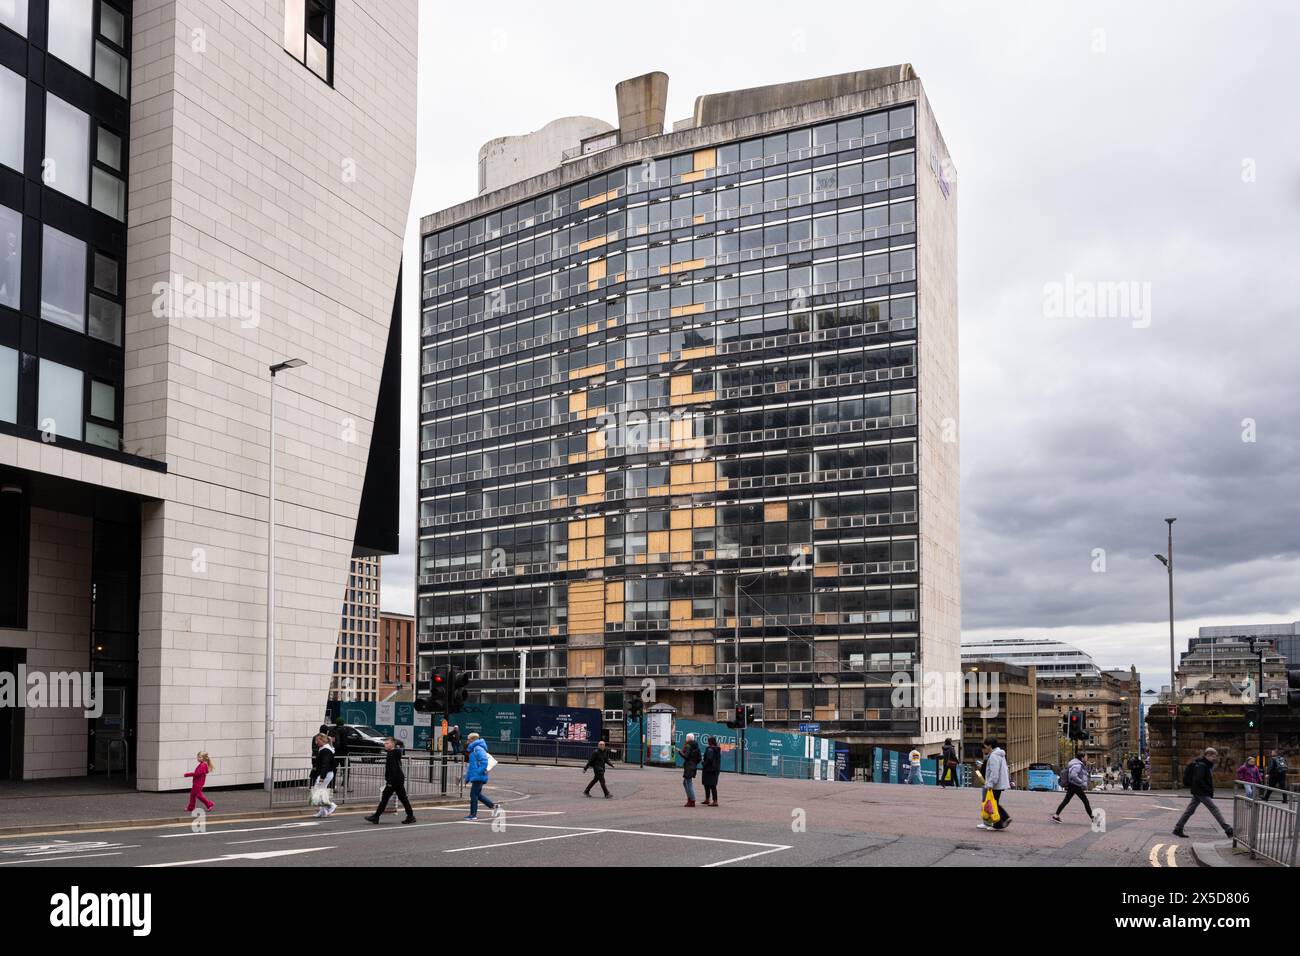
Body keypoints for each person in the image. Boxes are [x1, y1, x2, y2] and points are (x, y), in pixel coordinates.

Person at [1172, 747, 1233, 839]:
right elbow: (1198, 779)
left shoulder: (1205, 764)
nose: (1215, 759)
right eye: (1214, 756)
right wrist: (1206, 789)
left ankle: (1178, 828)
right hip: (1201, 792)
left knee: (1190, 810)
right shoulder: (1202, 765)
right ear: (1208, 755)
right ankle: (1227, 829)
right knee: (1214, 809)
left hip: (1198, 791)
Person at [365, 737, 416, 824]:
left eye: (387, 743)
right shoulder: (394, 752)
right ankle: (410, 816)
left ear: (393, 744)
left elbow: (393, 769)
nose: (385, 745)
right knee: (403, 798)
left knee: (386, 798)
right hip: (398, 779)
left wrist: (390, 782)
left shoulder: (392, 754)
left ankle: (376, 816)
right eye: (385, 743)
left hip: (394, 781)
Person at [464, 732, 500, 820]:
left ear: (473, 740)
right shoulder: (475, 749)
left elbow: (484, 761)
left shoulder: (477, 748)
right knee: (478, 794)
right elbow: (471, 767)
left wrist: (478, 772)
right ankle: (494, 806)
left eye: (468, 740)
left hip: (479, 776)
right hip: (478, 776)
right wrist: (467, 778)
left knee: (473, 795)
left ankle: (473, 815)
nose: (467, 742)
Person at [977, 737, 1011, 830]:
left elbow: (994, 773)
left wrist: (990, 784)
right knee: (994, 802)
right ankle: (999, 822)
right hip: (999, 783)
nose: (985, 748)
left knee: (993, 803)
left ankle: (1002, 820)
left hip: (995, 784)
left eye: (985, 746)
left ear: (990, 746)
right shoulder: (998, 754)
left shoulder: (994, 756)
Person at [1052, 752, 1094, 824]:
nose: (1087, 758)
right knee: (1085, 801)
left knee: (1066, 801)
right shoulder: (1078, 765)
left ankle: (1056, 816)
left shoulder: (1077, 764)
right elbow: (1073, 775)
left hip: (1072, 785)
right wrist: (1081, 782)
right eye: (1086, 757)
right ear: (1082, 758)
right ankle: (1093, 818)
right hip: (1076, 786)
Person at [310, 732, 338, 818]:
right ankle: (323, 811)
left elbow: (325, 764)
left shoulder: (325, 750)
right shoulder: (323, 749)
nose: (316, 742)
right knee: (320, 792)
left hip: (326, 774)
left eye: (317, 740)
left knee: (317, 791)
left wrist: (322, 777)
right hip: (326, 774)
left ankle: (331, 805)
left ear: (322, 740)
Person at [680, 733, 702, 807]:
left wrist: (680, 752)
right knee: (685, 782)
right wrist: (694, 763)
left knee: (688, 783)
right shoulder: (697, 747)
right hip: (693, 766)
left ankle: (692, 800)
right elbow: (699, 758)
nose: (685, 739)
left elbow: (686, 756)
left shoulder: (688, 746)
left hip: (689, 766)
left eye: (686, 738)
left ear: (688, 738)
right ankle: (690, 799)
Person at [700, 736, 722, 806]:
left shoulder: (710, 749)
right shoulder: (717, 749)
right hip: (715, 769)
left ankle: (713, 801)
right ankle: (709, 800)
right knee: (711, 785)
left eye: (708, 741)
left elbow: (709, 759)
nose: (707, 742)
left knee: (709, 785)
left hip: (709, 770)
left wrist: (704, 764)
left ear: (710, 742)